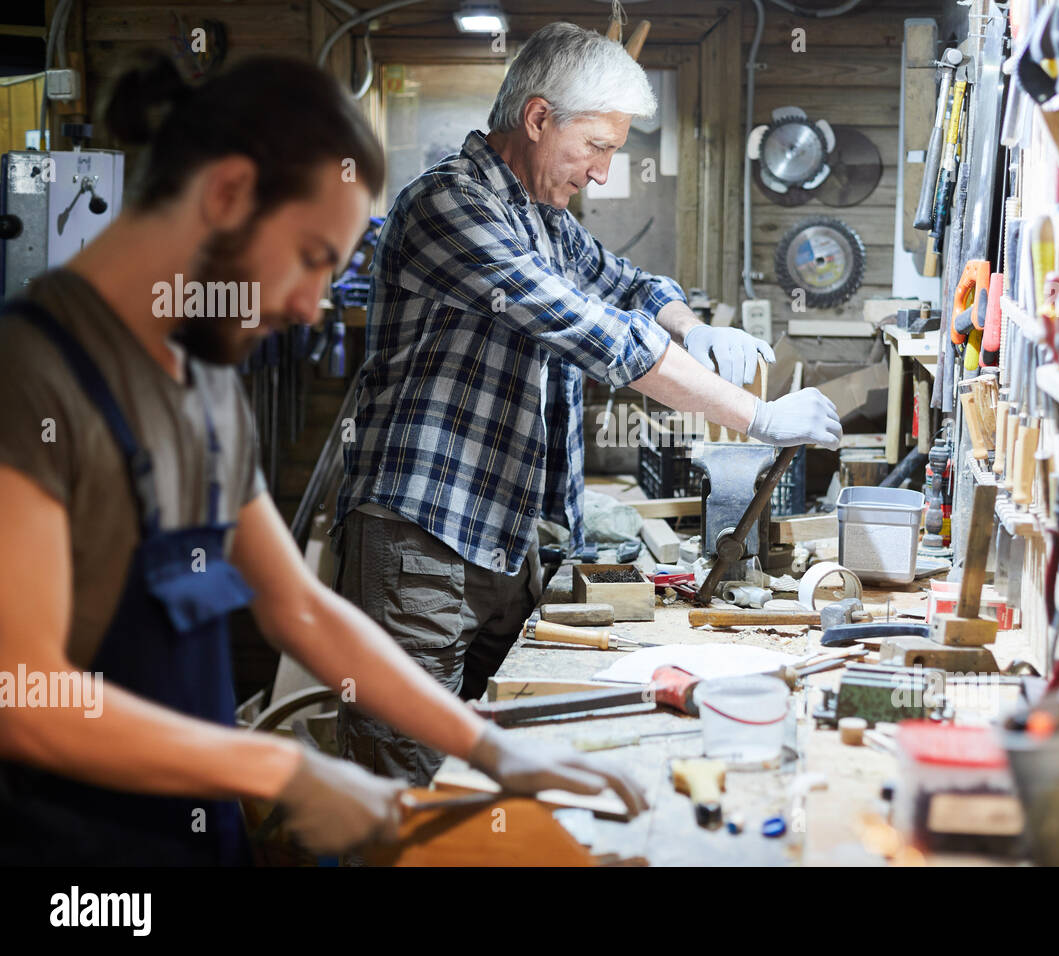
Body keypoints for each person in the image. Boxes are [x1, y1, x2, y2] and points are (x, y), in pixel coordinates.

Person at [0, 52, 645, 867]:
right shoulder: (30, 376)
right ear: (228, 193)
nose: (312, 304)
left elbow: (298, 607)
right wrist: (281, 766)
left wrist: (486, 748)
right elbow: (22, 699)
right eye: (310, 256)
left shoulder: (198, 380)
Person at [335, 22, 842, 784]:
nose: (603, 173)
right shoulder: (450, 206)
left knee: (495, 779)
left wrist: (695, 328)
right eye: (597, 147)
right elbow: (599, 335)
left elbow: (633, 289)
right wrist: (758, 417)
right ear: (539, 120)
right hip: (422, 544)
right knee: (407, 786)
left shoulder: (545, 221)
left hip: (504, 541)